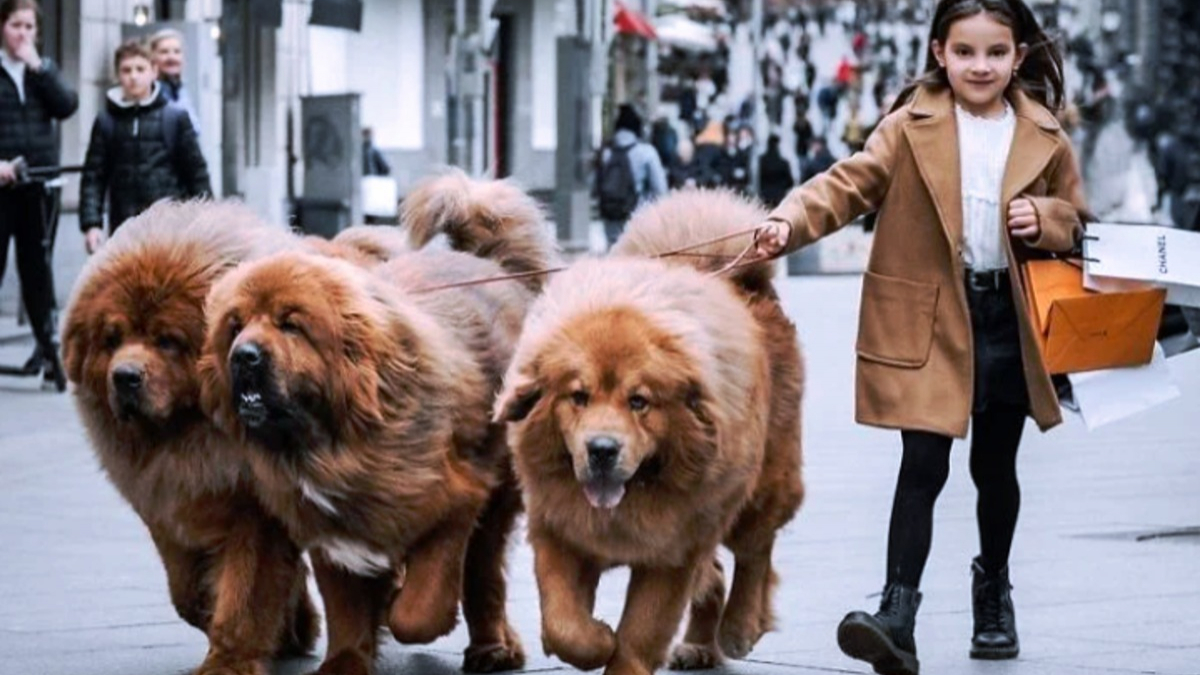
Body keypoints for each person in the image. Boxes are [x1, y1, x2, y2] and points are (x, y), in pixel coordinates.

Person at [755, 2, 1084, 673]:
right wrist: (787, 224)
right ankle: (897, 612)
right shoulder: (908, 126)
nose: (980, 66)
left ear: (1017, 57)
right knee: (922, 463)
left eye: (995, 53)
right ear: (939, 53)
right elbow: (848, 184)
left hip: (1009, 319)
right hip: (933, 315)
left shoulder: (1046, 133)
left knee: (995, 468)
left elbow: (1079, 218)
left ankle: (993, 589)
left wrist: (1044, 216)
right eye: (965, 52)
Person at [0, 0, 78, 391]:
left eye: (30, 27)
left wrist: (39, 68)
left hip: (37, 184)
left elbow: (67, 105)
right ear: (2, 27)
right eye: (17, 26)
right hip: (2, 185)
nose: (24, 35)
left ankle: (49, 353)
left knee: (38, 272)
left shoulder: (40, 71)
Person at [80, 40, 211, 252]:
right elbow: (94, 176)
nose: (133, 76)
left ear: (153, 71)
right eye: (126, 70)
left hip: (169, 228)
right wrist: (91, 224)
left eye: (140, 69)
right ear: (118, 75)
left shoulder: (175, 117)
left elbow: (197, 174)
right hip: (123, 228)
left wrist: (206, 220)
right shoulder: (106, 121)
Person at [596, 104, 667, 247]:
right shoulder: (647, 152)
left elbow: (596, 185)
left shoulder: (606, 153)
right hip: (637, 216)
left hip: (610, 215)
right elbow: (660, 190)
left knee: (612, 254)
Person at [148, 28, 199, 133]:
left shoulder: (180, 90)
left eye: (177, 52)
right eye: (164, 52)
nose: (171, 57)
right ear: (152, 58)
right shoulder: (149, 92)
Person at [758, 134, 794, 208]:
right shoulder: (783, 163)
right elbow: (790, 182)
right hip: (780, 196)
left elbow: (760, 180)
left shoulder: (762, 160)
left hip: (766, 196)